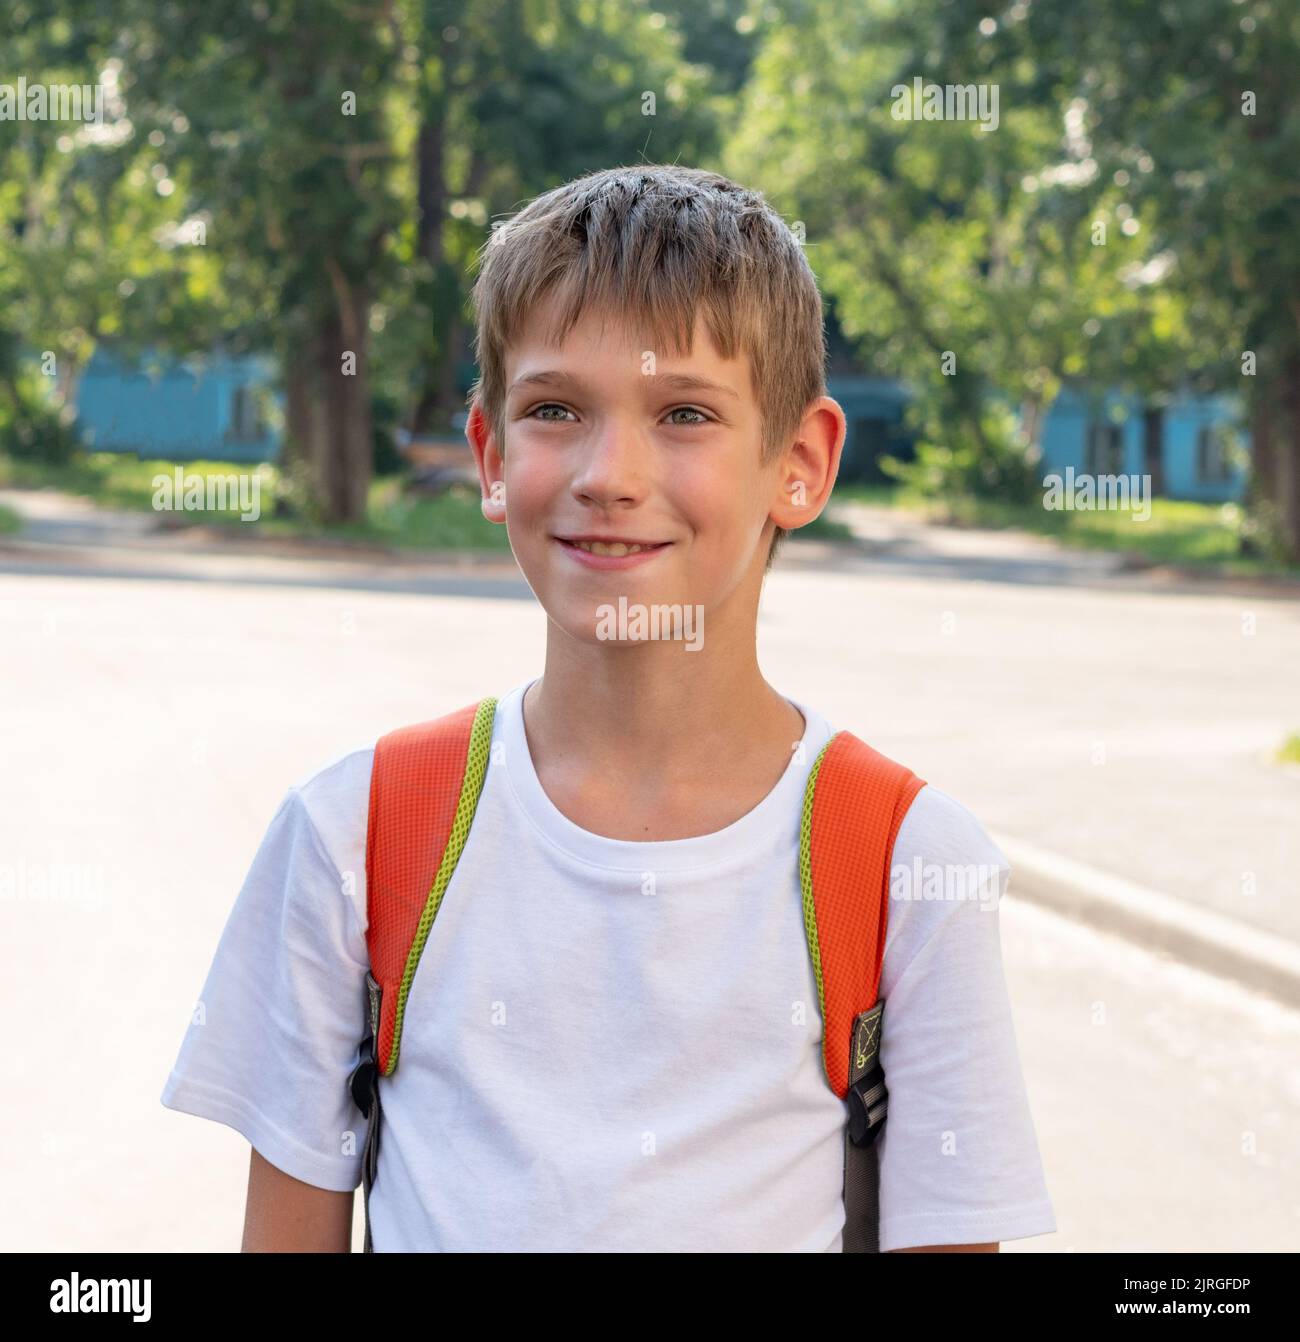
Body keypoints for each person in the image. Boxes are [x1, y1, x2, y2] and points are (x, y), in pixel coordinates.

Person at [160, 164, 1056, 1253]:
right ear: (491, 457)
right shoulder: (356, 831)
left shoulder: (904, 861)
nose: (608, 472)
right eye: (554, 410)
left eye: (684, 412)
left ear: (801, 463)